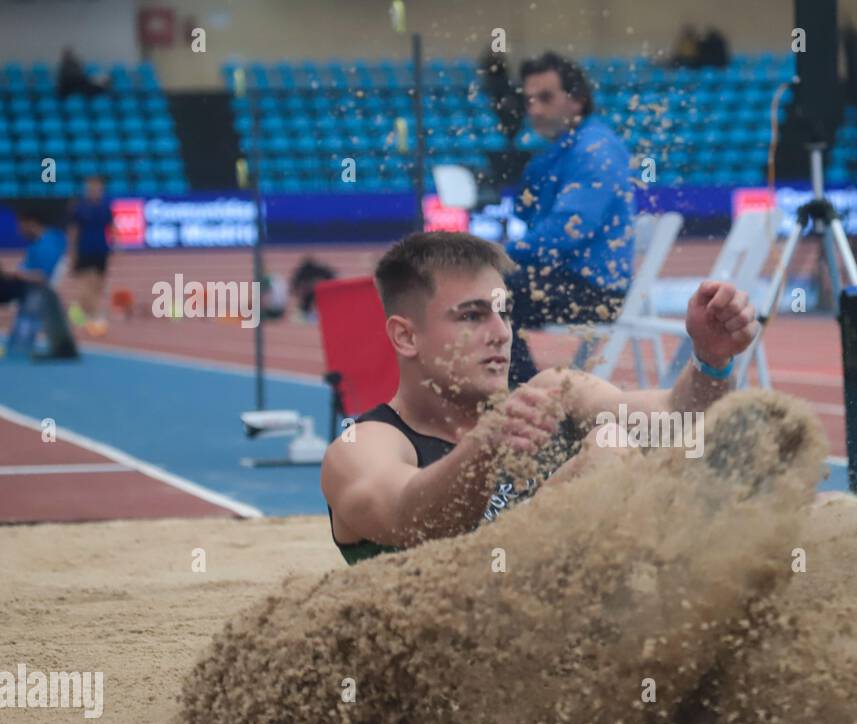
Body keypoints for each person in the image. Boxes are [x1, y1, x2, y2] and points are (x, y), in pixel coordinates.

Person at [320, 230, 757, 564]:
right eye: (472, 316)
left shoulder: (553, 394)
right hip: (466, 651)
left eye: (504, 312)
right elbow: (407, 517)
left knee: (630, 447)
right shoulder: (363, 448)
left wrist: (710, 360)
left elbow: (675, 424)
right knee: (607, 454)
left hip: (594, 637)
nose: (501, 333)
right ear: (406, 336)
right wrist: (485, 446)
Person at [504, 52, 635, 387]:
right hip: (577, 280)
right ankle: (522, 395)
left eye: (545, 98)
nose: (534, 110)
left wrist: (503, 253)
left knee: (491, 294)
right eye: (529, 100)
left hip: (595, 291)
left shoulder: (594, 150)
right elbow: (528, 212)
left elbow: (568, 230)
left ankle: (524, 398)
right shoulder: (566, 150)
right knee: (489, 292)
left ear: (577, 100)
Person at [1, 207, 74, 359]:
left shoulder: (48, 243)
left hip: (31, 287)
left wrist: (19, 274)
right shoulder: (41, 242)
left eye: (21, 226)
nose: (19, 231)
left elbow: (42, 276)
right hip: (24, 285)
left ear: (31, 224)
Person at [66, 174, 113, 336]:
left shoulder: (106, 205)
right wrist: (72, 252)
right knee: (88, 283)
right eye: (91, 187)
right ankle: (95, 319)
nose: (94, 190)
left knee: (98, 286)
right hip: (85, 249)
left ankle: (77, 309)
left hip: (102, 250)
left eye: (97, 187)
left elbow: (111, 226)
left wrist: (116, 245)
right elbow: (74, 231)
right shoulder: (80, 208)